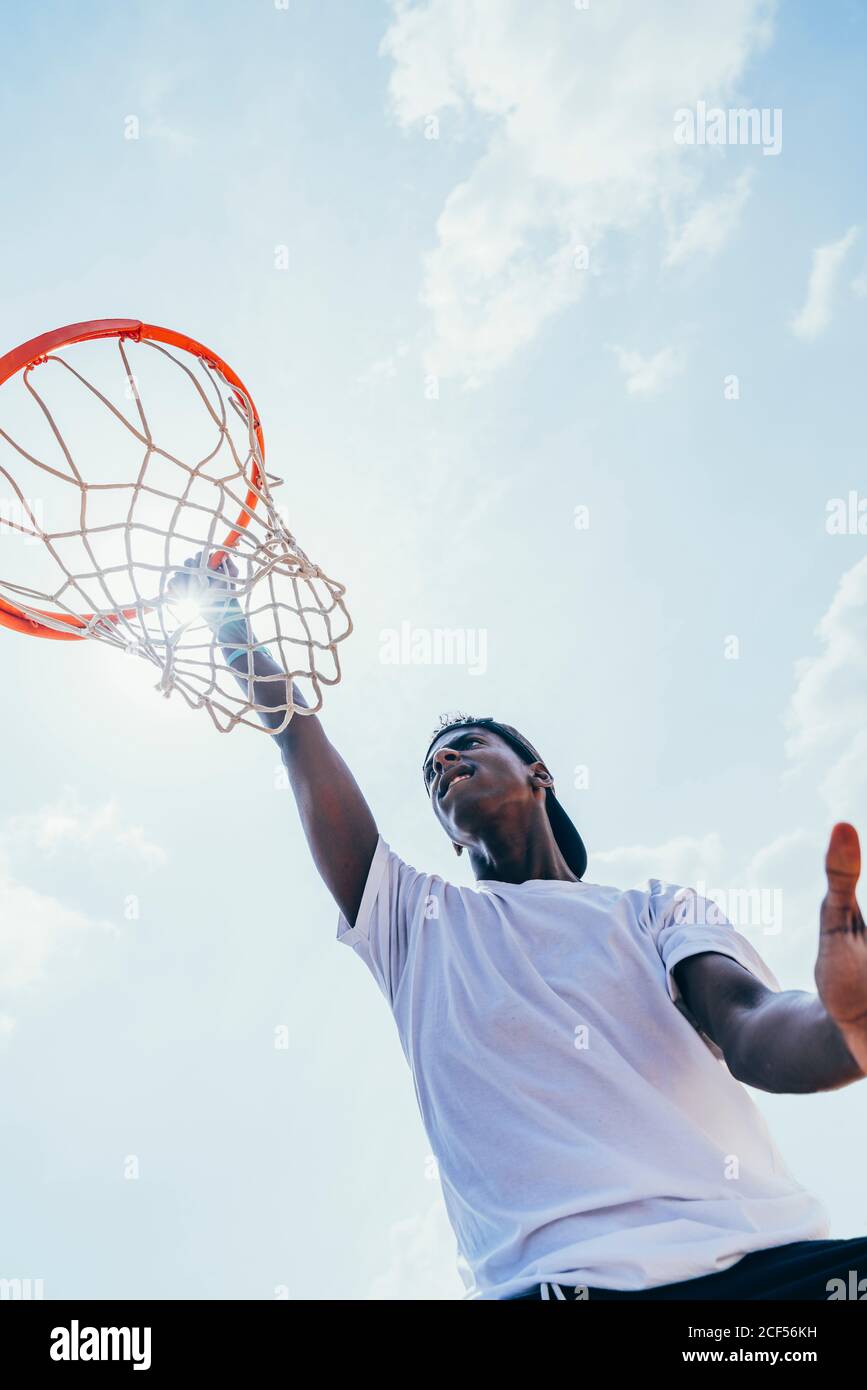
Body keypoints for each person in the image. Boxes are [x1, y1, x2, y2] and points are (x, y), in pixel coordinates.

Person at [175, 557, 867, 1301]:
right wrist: (227, 621)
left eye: (469, 746)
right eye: (432, 771)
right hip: (553, 1286)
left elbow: (750, 1022)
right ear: (445, 835)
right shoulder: (413, 923)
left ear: (537, 771)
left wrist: (842, 1028)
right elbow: (297, 737)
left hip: (750, 1269)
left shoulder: (655, 909)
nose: (445, 760)